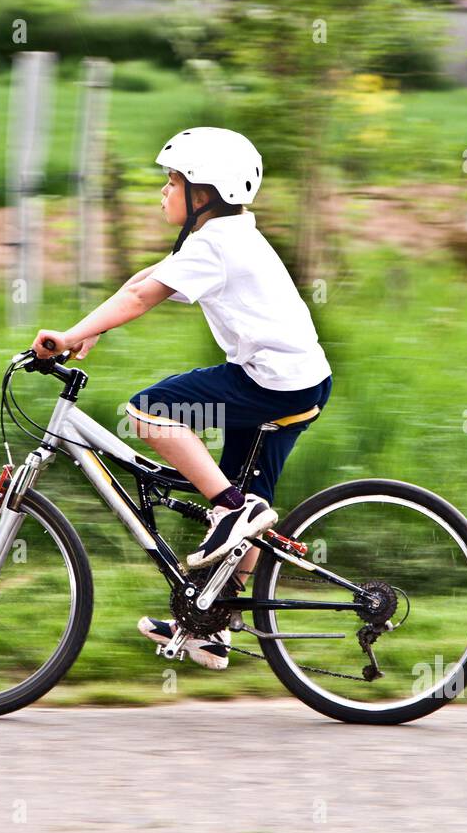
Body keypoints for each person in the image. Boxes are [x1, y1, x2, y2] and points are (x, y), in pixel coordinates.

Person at [32, 127, 332, 670]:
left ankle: (227, 508)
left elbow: (144, 295)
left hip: (269, 382)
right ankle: (211, 625)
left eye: (172, 182)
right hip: (296, 381)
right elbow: (145, 277)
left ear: (205, 193)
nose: (163, 193)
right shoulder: (227, 232)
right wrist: (90, 328)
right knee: (251, 511)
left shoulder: (217, 243)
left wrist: (71, 335)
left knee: (148, 412)